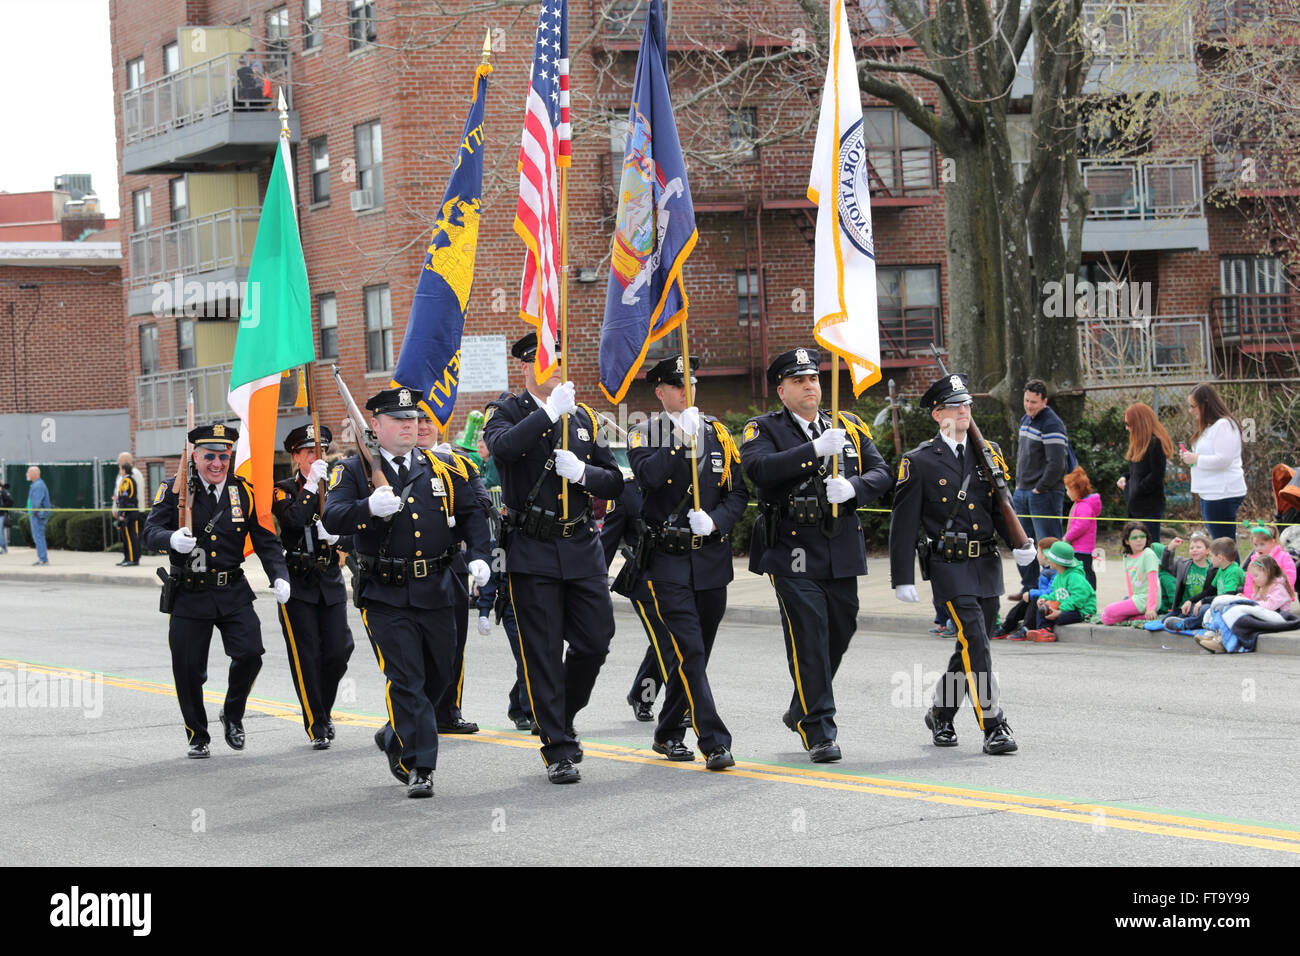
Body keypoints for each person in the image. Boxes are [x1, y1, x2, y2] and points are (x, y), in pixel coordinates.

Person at [321, 387, 491, 798]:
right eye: (399, 420)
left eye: (414, 420)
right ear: (375, 427)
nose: (410, 426)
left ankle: (395, 733)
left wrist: (480, 555)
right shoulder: (355, 470)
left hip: (437, 588)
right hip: (386, 593)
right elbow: (331, 517)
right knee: (408, 679)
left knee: (440, 676)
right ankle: (420, 766)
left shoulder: (442, 467)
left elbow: (471, 513)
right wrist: (367, 510)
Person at [483, 333, 623, 784]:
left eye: (560, 360)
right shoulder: (506, 412)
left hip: (581, 545)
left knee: (596, 640)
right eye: (546, 361)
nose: (556, 367)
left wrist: (584, 473)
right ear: (526, 368)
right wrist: (548, 412)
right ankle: (558, 747)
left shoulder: (582, 417)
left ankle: (560, 713)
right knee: (542, 652)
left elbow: (614, 482)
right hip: (532, 547)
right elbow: (503, 451)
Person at [743, 347, 893, 763]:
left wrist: (855, 489)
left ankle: (801, 706)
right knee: (809, 632)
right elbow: (759, 471)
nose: (810, 386)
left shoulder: (848, 424)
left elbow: (883, 472)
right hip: (791, 548)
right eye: (798, 381)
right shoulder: (763, 429)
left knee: (840, 630)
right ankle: (819, 729)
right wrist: (814, 451)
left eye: (813, 379)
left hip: (840, 544)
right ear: (782, 391)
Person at [889, 372, 1038, 755]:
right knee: (975, 638)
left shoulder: (988, 452)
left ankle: (940, 712)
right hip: (949, 567)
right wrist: (901, 576)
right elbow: (903, 523)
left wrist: (1019, 546)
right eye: (956, 406)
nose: (964, 411)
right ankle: (994, 725)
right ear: (938, 414)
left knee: (974, 645)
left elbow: (999, 507)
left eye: (967, 404)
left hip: (986, 561)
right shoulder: (919, 461)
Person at [625, 356, 747, 770]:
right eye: (678, 384)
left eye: (691, 382)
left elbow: (738, 494)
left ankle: (667, 732)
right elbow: (649, 479)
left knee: (695, 654)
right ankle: (714, 741)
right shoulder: (645, 433)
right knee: (689, 652)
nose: (687, 390)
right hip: (667, 562)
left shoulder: (719, 434)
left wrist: (715, 520)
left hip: (710, 560)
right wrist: (679, 438)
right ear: (661, 392)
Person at [142, 424, 292, 759]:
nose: (217, 463)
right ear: (194, 456)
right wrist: (170, 540)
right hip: (189, 592)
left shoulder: (244, 493)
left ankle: (233, 713)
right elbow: (149, 532)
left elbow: (267, 542)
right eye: (209, 455)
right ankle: (197, 733)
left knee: (251, 652)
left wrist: (279, 575)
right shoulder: (176, 490)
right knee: (188, 669)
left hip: (231, 589)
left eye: (223, 456)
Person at [270, 424, 355, 750]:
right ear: (295, 457)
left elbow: (355, 525)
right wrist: (310, 486)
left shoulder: (336, 487)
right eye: (308, 453)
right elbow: (293, 518)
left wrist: (339, 537)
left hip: (329, 578)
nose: (315, 457)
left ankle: (324, 708)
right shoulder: (282, 489)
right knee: (306, 655)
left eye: (320, 451)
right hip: (297, 583)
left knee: (339, 650)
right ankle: (316, 723)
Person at [416, 409, 492, 736]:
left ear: (438, 426)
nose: (420, 427)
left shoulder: (458, 462)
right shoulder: (392, 465)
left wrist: (448, 472)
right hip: (411, 568)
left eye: (426, 422)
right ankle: (416, 713)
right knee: (416, 647)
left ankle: (448, 710)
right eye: (414, 422)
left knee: (453, 644)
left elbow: (480, 503)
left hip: (452, 565)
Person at [598, 474, 675, 723]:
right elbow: (606, 543)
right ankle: (681, 706)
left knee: (667, 642)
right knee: (667, 643)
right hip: (642, 580)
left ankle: (642, 695)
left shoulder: (678, 483)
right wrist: (593, 585)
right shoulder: (626, 491)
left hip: (676, 578)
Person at [471, 426, 533, 731]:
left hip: (534, 597)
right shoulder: (500, 536)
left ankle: (519, 701)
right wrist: (483, 610)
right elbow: (494, 575)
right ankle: (532, 710)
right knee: (527, 656)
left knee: (534, 657)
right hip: (510, 605)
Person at [1012, 379, 1072, 590]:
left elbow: (1057, 463)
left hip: (1043, 494)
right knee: (1024, 544)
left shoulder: (1051, 423)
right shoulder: (1025, 420)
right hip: (1022, 490)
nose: (1029, 405)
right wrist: (1019, 486)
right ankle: (1029, 587)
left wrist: (1040, 488)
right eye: (1026, 400)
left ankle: (1055, 586)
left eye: (1034, 402)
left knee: (1047, 545)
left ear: (1044, 401)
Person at [1179, 383, 1246, 541]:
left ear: (1206, 404)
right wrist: (1191, 456)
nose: (1191, 410)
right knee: (1221, 542)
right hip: (1211, 492)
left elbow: (1224, 459)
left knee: (1223, 543)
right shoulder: (1212, 426)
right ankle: (1227, 565)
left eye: (1193, 406)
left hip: (1222, 492)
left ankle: (1232, 566)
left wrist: (1196, 459)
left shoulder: (1223, 425)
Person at [1195, 555, 1296, 653]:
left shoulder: (1278, 588)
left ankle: (1223, 641)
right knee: (1228, 608)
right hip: (1264, 615)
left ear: (1268, 573)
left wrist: (1247, 603)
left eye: (1256, 576)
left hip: (1277, 617)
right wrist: (1243, 599)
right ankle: (1215, 635)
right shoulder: (1263, 587)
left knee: (1238, 616)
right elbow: (1255, 602)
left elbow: (1269, 606)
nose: (1254, 580)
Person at [1117, 403, 1172, 543]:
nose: (1127, 428)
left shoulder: (1155, 443)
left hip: (1149, 507)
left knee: (1150, 547)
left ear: (1140, 423)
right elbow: (1137, 471)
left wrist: (1134, 489)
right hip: (1135, 505)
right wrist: (1125, 478)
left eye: (1129, 424)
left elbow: (1156, 475)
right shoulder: (1138, 443)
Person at [1024, 540, 1097, 642]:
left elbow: (1079, 597)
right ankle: (1044, 630)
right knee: (1043, 609)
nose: (1048, 559)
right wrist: (1045, 599)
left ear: (1057, 562)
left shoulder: (1074, 576)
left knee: (1061, 618)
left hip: (1081, 610)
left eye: (1051, 558)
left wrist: (1060, 610)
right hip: (1067, 606)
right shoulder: (1059, 576)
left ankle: (1047, 631)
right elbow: (1057, 594)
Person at [993, 536, 1058, 642]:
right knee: (1023, 603)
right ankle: (1007, 626)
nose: (1037, 555)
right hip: (1045, 599)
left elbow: (1052, 591)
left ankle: (1027, 628)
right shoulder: (1047, 570)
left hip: (1052, 603)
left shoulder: (1055, 573)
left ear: (1046, 556)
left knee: (1034, 601)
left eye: (1038, 552)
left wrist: (1033, 593)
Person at [1100, 521, 1160, 625]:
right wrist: (1131, 600)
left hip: (1147, 600)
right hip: (1136, 599)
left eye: (1142, 536)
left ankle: (1143, 615)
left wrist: (1151, 608)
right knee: (1105, 618)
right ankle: (1137, 617)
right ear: (1127, 541)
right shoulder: (1127, 556)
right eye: (1134, 537)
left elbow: (1153, 584)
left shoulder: (1148, 554)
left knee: (1108, 610)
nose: (1139, 540)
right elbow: (1130, 583)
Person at [1063, 465, 1099, 588]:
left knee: (1085, 571)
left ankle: (1090, 592)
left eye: (1068, 489)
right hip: (1079, 546)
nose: (1067, 493)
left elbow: (1081, 526)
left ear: (1077, 489)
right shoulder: (1080, 504)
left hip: (1082, 547)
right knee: (1083, 570)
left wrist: (1067, 537)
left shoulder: (1084, 506)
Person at [1242, 522, 1297, 600]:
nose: (1258, 548)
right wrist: (1248, 597)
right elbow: (1250, 580)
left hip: (1279, 597)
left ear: (1272, 542)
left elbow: (1290, 576)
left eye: (1262, 544)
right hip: (1260, 598)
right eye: (1255, 545)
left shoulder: (1283, 557)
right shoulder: (1254, 560)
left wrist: (1287, 592)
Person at [112, 452, 147, 567]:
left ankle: (133, 558)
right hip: (124, 510)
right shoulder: (121, 476)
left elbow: (130, 496)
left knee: (132, 536)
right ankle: (127, 557)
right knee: (126, 537)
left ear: (126, 462)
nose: (118, 463)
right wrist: (116, 508)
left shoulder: (133, 475)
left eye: (119, 461)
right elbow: (119, 493)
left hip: (131, 511)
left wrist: (124, 512)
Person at [26, 466, 51, 565]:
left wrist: (34, 512)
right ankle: (42, 558)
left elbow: (36, 502)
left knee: (38, 536)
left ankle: (43, 559)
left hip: (38, 515)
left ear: (34, 473)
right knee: (37, 536)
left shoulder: (38, 485)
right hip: (36, 514)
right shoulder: (36, 484)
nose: (27, 474)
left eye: (28, 472)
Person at [0, 481, 13, 553]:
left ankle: (4, 548)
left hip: (1, 515)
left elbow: (10, 501)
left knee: (0, 533)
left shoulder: (3, 491)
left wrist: (2, 507)